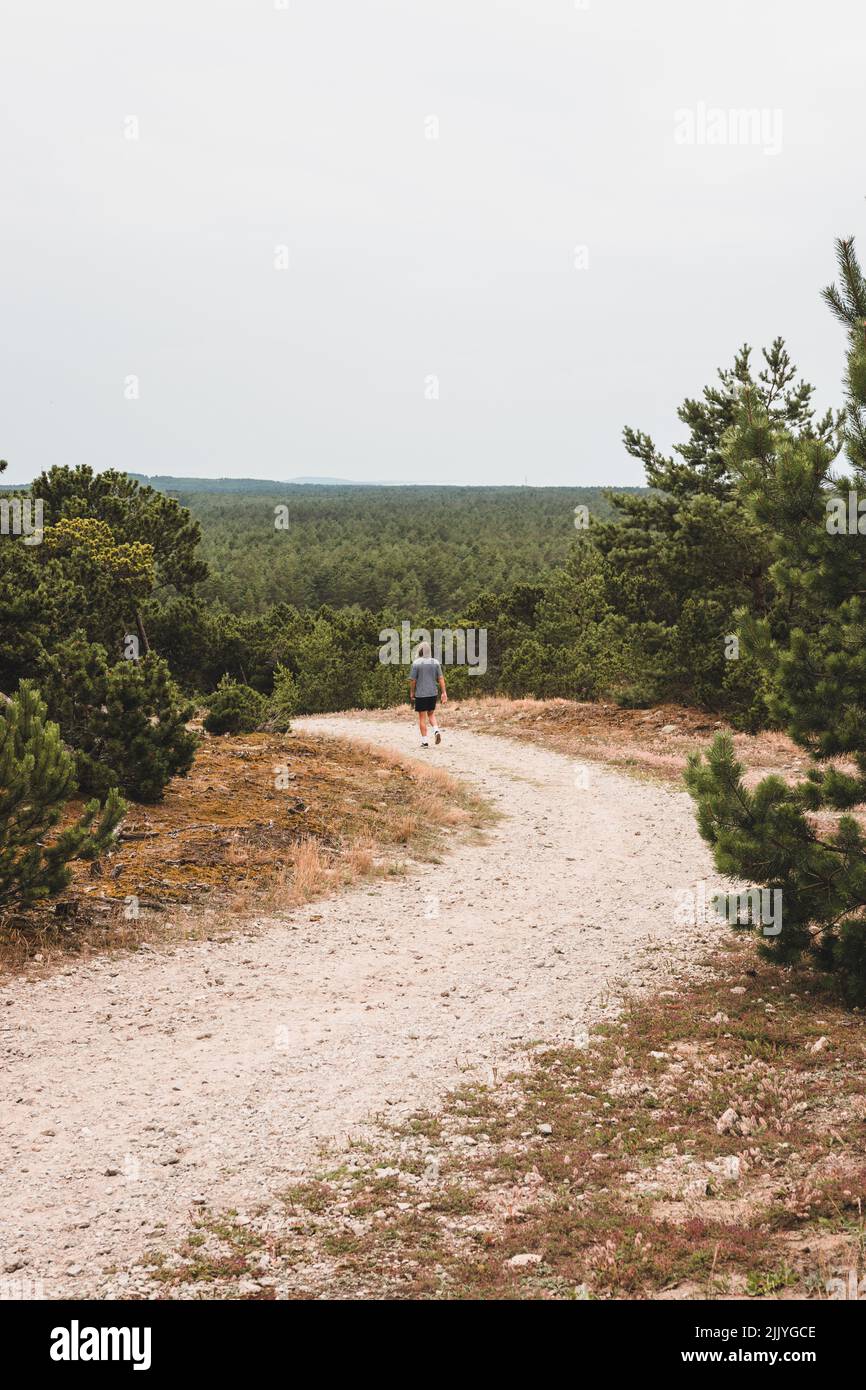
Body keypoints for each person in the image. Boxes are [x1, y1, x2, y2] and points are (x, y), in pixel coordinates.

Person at [409, 640, 447, 747]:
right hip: (432, 693)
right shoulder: (435, 662)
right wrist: (444, 693)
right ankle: (436, 730)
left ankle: (425, 742)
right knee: (431, 714)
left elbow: (413, 681)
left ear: (420, 651)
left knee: (422, 717)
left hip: (421, 694)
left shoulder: (416, 663)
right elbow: (441, 678)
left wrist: (412, 692)